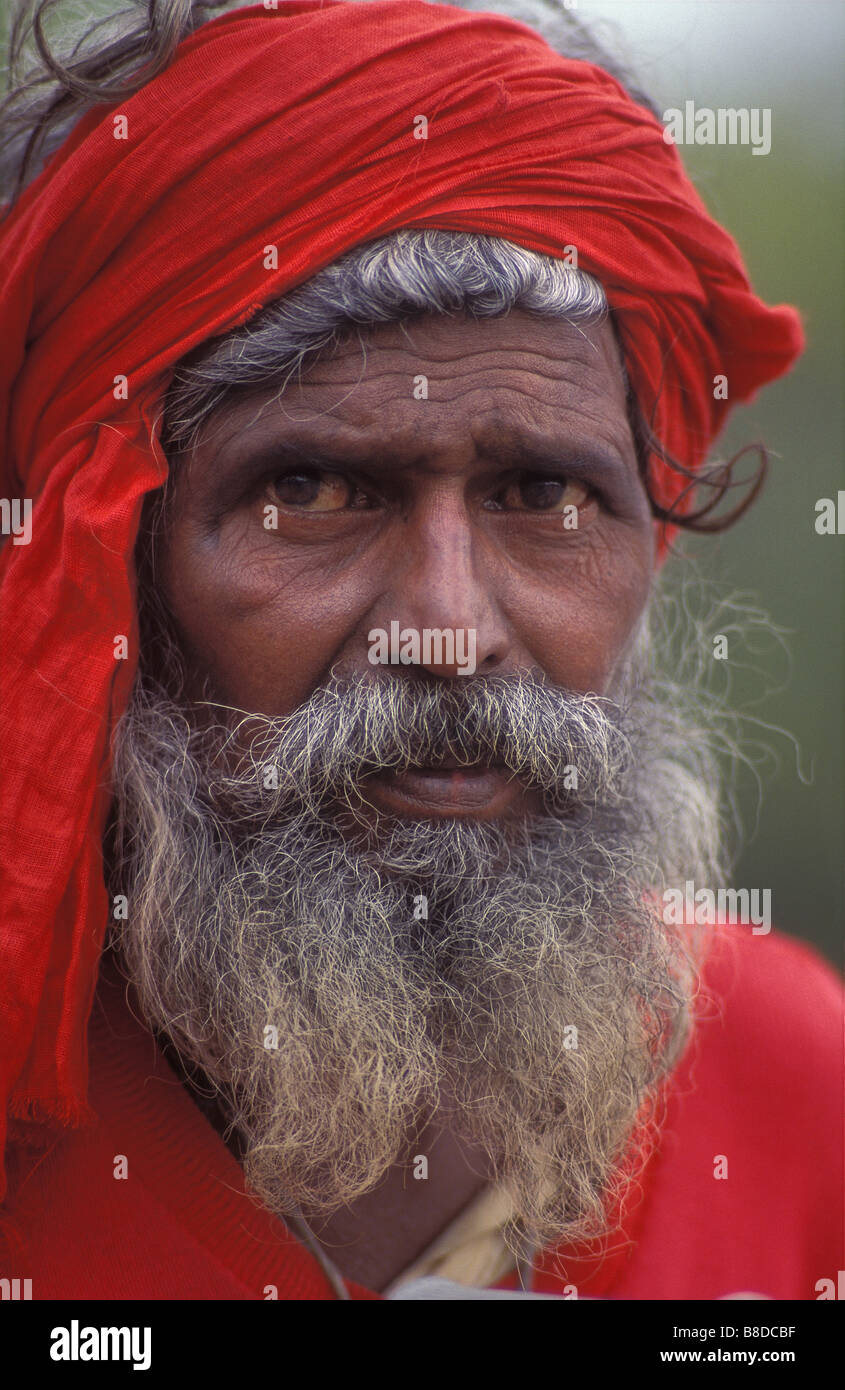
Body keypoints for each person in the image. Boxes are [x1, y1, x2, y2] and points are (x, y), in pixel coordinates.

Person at [0, 0, 840, 1301]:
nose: (448, 630)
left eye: (542, 496)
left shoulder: (797, 1088)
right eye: (314, 492)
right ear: (110, 561)